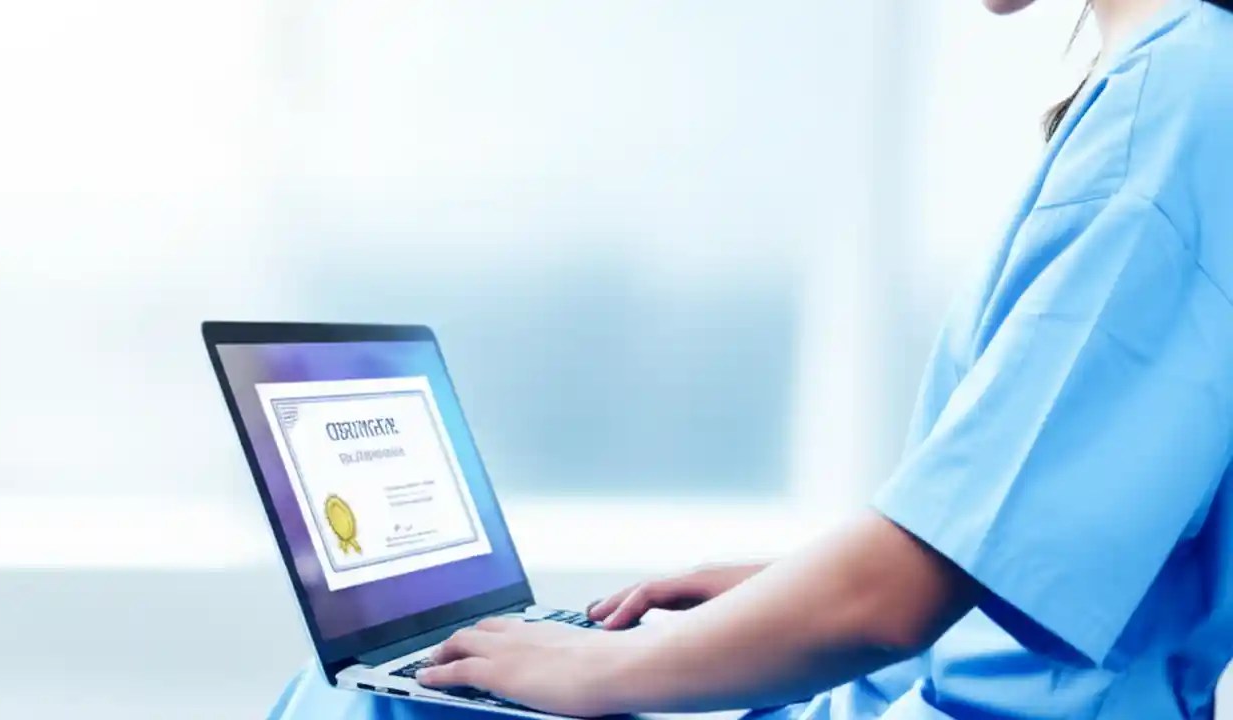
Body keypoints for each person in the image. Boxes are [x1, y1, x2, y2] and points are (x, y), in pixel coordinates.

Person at [278, 0, 1233, 717]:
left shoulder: (1184, 102)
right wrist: (785, 593)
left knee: (358, 704)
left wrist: (602, 672)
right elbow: (1040, 533)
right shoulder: (1167, 91)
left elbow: (897, 604)